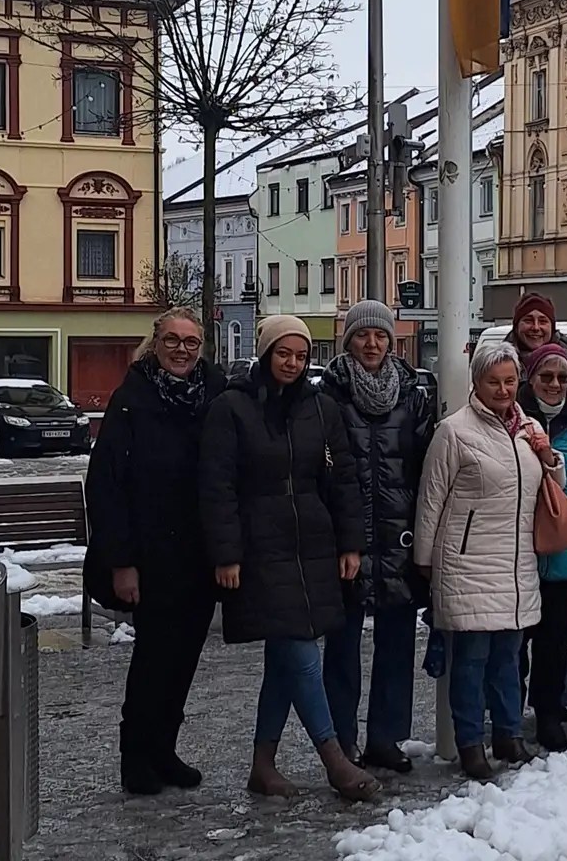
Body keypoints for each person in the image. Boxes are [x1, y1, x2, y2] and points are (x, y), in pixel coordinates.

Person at [198, 314, 376, 802]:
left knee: (285, 658)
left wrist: (350, 544)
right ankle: (334, 758)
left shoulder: (321, 409)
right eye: (284, 353)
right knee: (301, 654)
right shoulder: (231, 408)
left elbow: (343, 481)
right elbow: (218, 487)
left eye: (301, 355)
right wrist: (226, 554)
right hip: (259, 552)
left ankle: (263, 764)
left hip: (312, 549)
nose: (293, 363)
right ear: (266, 352)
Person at [85, 308, 226, 795]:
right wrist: (121, 562)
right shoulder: (132, 400)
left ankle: (164, 751)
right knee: (152, 661)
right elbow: (107, 488)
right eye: (173, 341)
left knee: (185, 657)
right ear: (156, 344)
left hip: (198, 554)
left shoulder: (214, 394)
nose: (182, 350)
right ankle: (135, 758)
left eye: (191, 342)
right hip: (149, 557)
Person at [413, 338, 565, 782]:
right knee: (472, 659)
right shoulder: (454, 431)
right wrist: (426, 563)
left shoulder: (528, 429)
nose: (503, 390)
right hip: (468, 565)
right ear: (476, 383)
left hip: (516, 565)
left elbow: (549, 484)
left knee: (509, 657)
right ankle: (469, 743)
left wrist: (546, 454)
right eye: (493, 382)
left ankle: (508, 734)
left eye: (510, 381)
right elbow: (431, 500)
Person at [320, 301, 436, 771]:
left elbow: (428, 464)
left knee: (396, 645)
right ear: (348, 341)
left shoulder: (412, 395)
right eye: (363, 336)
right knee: (342, 647)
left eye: (380, 336)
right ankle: (340, 742)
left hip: (399, 534)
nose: (372, 344)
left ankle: (386, 740)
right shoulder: (328, 395)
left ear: (392, 341)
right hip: (344, 538)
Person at [518, 341, 567, 753]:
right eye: (546, 376)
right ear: (531, 378)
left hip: (560, 552)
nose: (554, 384)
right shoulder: (511, 419)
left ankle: (548, 714)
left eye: (563, 377)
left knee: (552, 639)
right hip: (514, 550)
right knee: (513, 641)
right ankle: (509, 714)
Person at [507, 293, 567, 419]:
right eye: (528, 320)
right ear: (516, 326)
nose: (536, 327)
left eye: (543, 321)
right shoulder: (501, 364)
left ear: (552, 327)